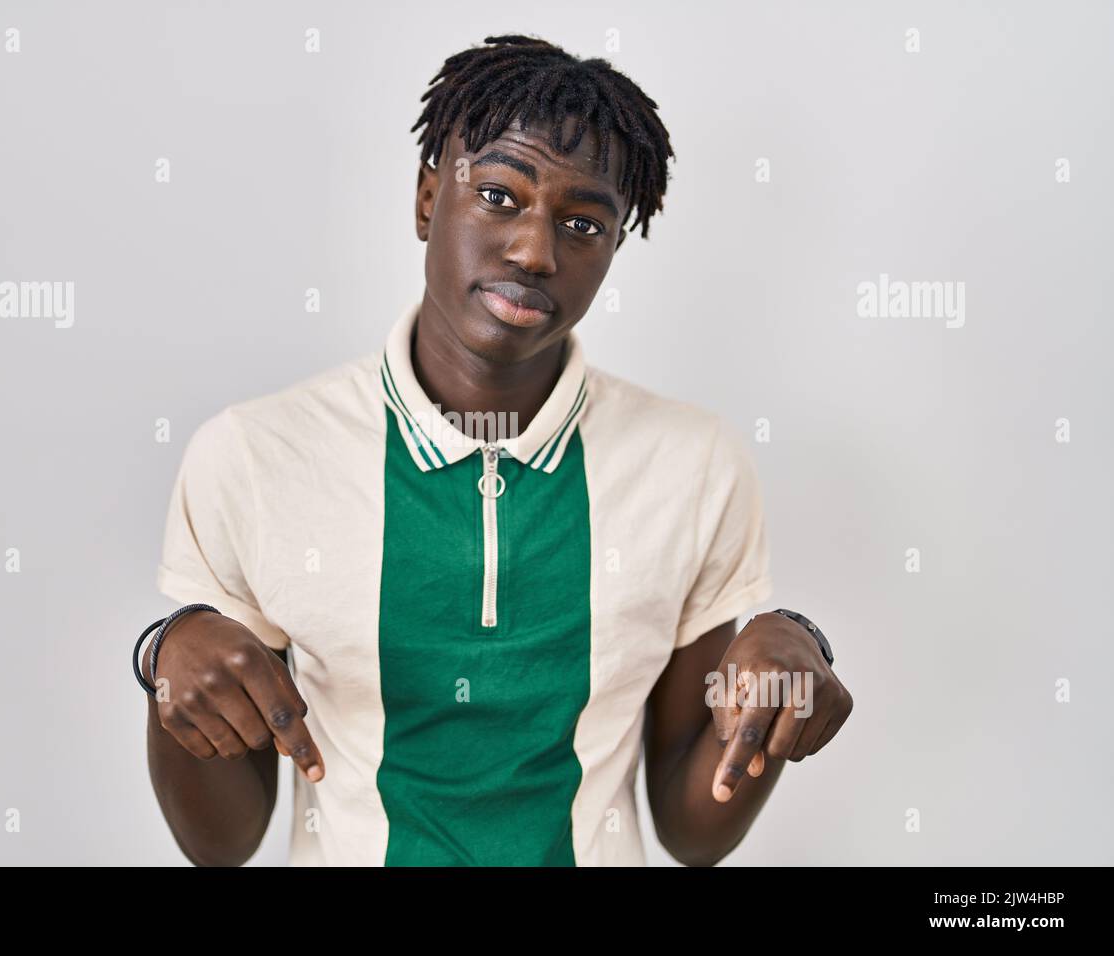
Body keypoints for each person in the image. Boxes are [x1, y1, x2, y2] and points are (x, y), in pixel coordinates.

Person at [138, 34, 853, 867]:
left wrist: (779, 670)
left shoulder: (695, 464)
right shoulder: (255, 454)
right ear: (426, 198)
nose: (535, 252)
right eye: (500, 196)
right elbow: (219, 843)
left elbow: (694, 832)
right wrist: (166, 660)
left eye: (582, 223)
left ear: (616, 247)